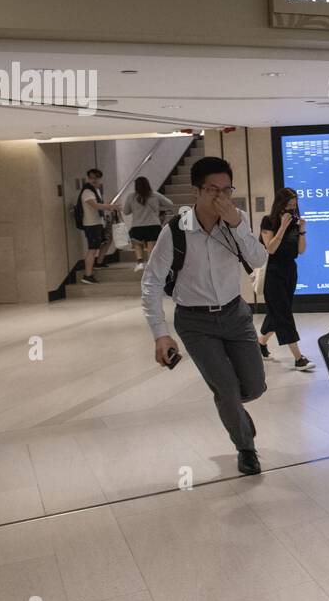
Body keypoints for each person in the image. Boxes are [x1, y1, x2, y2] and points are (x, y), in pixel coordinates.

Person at [142, 157, 270, 476]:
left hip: (235, 314)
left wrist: (238, 226)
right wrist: (160, 332)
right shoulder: (176, 230)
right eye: (213, 189)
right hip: (195, 322)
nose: (221, 197)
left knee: (254, 387)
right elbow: (152, 281)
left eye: (227, 189)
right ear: (196, 190)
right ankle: (246, 448)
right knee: (225, 389)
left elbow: (259, 258)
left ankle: (234, 409)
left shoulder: (236, 219)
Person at [257, 188, 314, 371]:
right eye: (289, 204)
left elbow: (301, 250)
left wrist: (302, 230)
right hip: (274, 272)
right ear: (280, 204)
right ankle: (298, 358)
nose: (292, 208)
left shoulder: (296, 223)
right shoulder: (268, 221)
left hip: (290, 270)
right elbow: (271, 249)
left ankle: (260, 343)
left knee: (279, 311)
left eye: (294, 204)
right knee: (284, 314)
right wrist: (281, 227)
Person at [76, 168, 119, 284]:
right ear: (88, 178)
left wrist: (108, 205)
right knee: (92, 249)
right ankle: (87, 275)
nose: (94, 180)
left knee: (106, 240)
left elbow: (98, 205)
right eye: (91, 177)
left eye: (96, 177)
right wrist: (109, 207)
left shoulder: (95, 190)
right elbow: (94, 205)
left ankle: (98, 263)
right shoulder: (87, 192)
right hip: (91, 224)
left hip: (97, 223)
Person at [123, 176, 175, 271]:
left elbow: (126, 211)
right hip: (153, 226)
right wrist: (159, 209)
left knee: (137, 244)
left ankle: (140, 262)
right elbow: (170, 204)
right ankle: (151, 266)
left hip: (137, 226)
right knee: (151, 248)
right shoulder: (155, 195)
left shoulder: (131, 196)